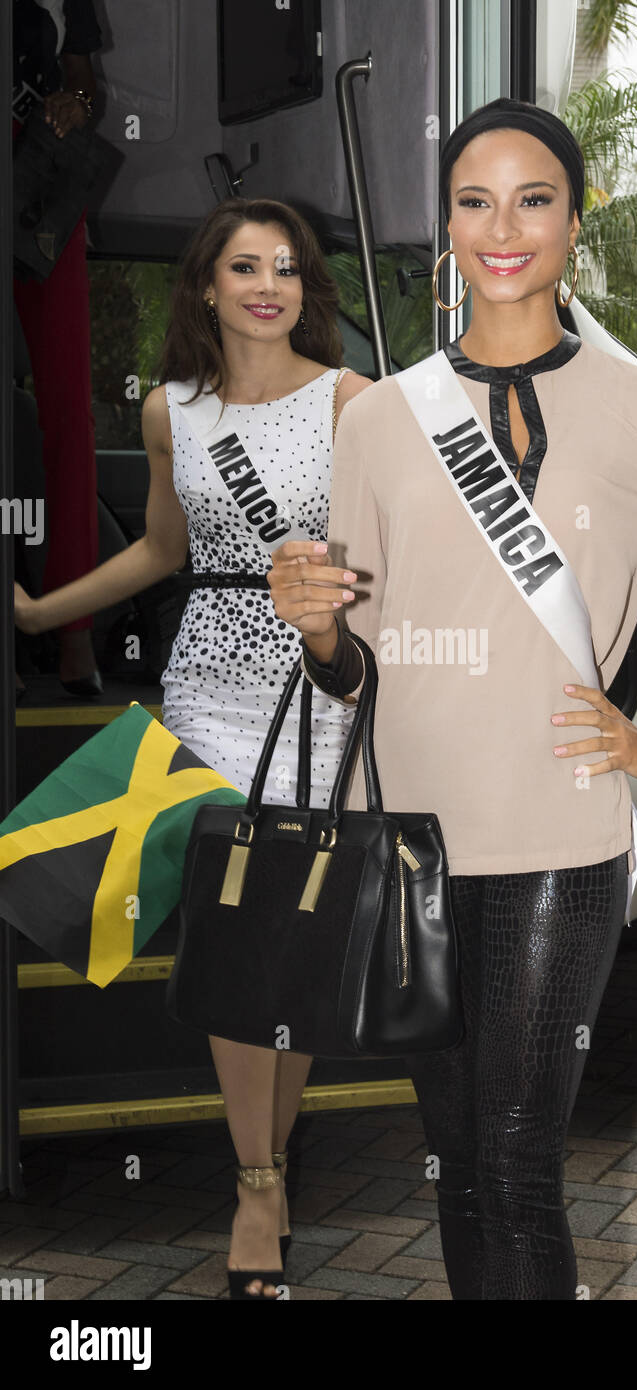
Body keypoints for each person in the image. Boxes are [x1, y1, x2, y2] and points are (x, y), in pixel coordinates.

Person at [266, 99, 637, 1301]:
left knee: (518, 1163)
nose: (502, 228)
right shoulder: (375, 417)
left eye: (533, 199)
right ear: (447, 227)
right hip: (407, 838)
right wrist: (317, 629)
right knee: (458, 1162)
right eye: (475, 201)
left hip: (554, 837)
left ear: (578, 218)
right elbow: (353, 668)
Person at [14, 196, 371, 1298]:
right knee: (228, 945)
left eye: (287, 269)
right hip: (210, 691)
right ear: (206, 286)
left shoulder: (356, 404)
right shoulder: (174, 409)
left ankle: (268, 1164)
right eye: (243, 266)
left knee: (293, 945)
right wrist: (44, 617)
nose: (268, 285)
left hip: (320, 688)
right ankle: (257, 1182)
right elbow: (167, 548)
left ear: (307, 290)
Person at [12, 0, 104, 697]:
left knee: (69, 405)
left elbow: (83, 83)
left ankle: (73, 625)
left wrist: (75, 102)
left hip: (40, 177)